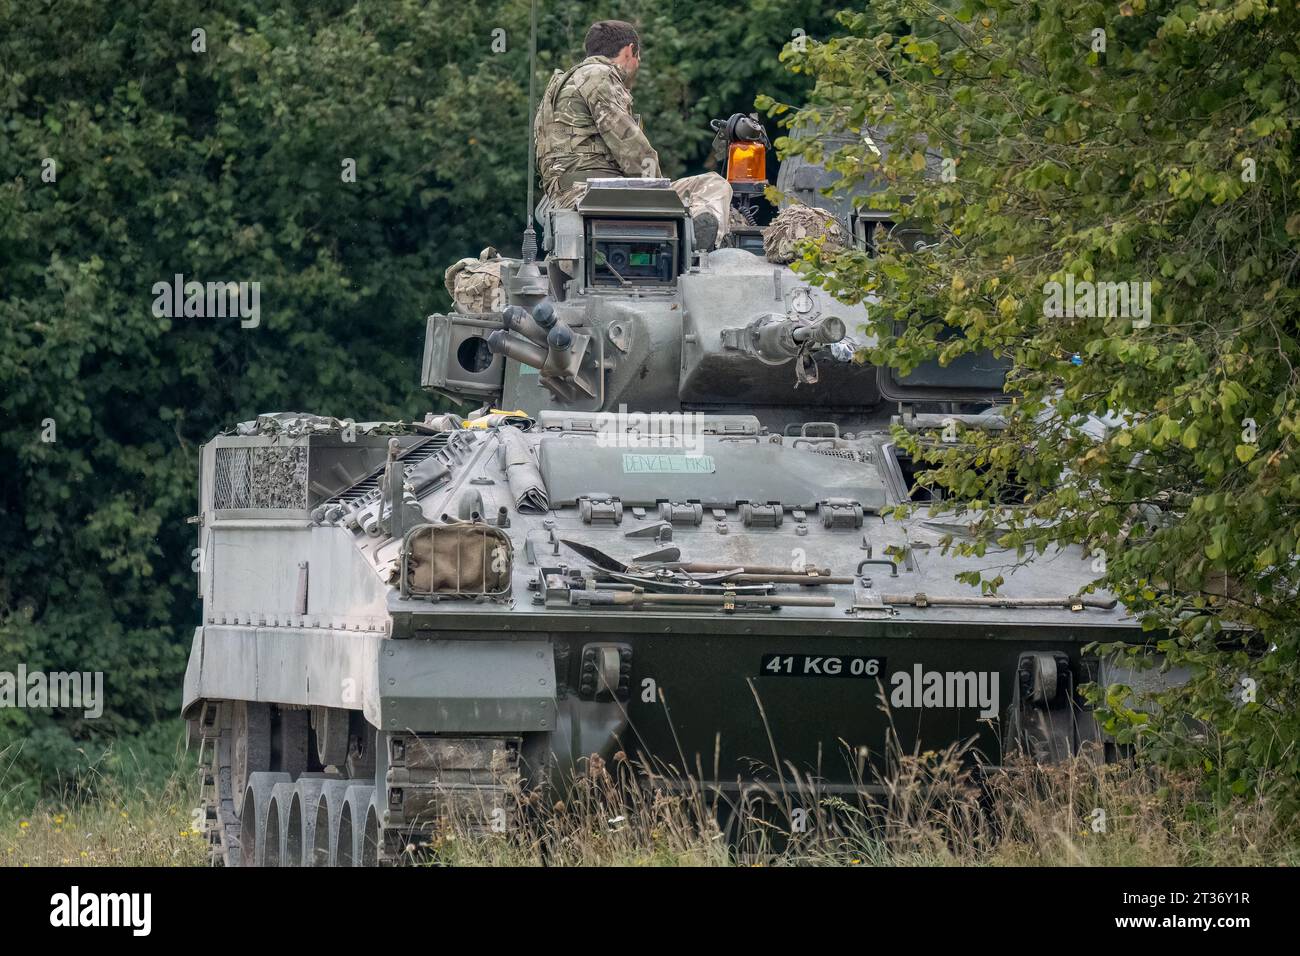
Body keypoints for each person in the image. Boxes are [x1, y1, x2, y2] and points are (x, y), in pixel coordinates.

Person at [534, 20, 730, 249]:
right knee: (714, 184)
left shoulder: (559, 87)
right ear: (629, 50)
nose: (638, 64)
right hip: (597, 194)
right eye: (638, 56)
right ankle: (695, 245)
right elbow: (632, 147)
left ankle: (693, 231)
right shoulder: (598, 75)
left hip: (563, 198)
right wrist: (660, 196)